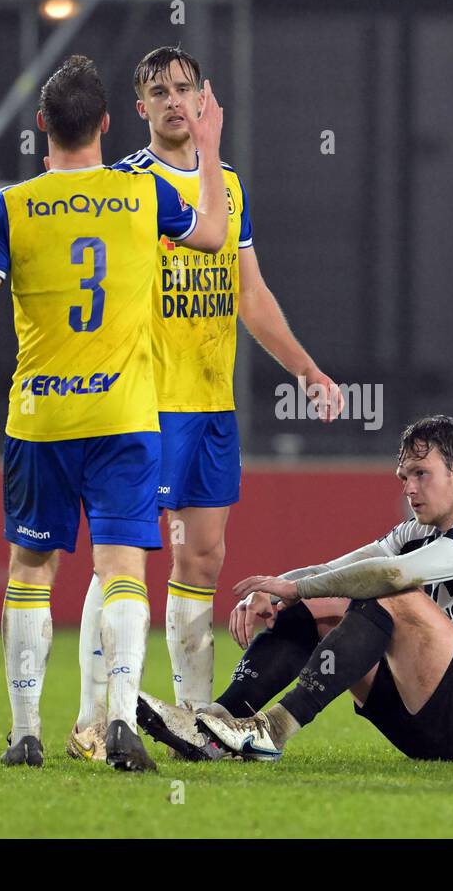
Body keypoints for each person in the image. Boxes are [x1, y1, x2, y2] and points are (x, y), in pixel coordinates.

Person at [0, 54, 228, 772]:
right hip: (123, 419)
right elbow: (210, 233)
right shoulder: (141, 197)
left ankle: (25, 734)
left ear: (41, 126)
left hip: (40, 421)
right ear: (108, 124)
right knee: (122, 572)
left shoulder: (10, 207)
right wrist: (210, 147)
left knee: (30, 568)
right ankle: (118, 722)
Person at [65, 46, 341, 762]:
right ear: (141, 108)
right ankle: (95, 716)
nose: (174, 100)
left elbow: (249, 295)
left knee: (206, 559)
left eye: (185, 88)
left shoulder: (230, 185)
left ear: (205, 97)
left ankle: (192, 718)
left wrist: (306, 368)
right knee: (122, 559)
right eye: (159, 91)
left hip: (211, 405)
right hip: (143, 405)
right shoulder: (124, 185)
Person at [138, 415, 453, 762]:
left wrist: (297, 586)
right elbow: (343, 567)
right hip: (430, 726)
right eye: (404, 477)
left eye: (421, 473)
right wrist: (281, 590)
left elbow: (392, 576)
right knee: (314, 607)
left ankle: (274, 729)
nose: (409, 488)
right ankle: (211, 726)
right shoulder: (417, 531)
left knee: (388, 590)